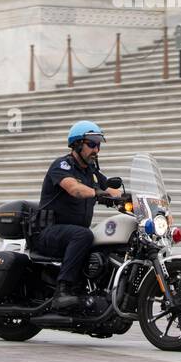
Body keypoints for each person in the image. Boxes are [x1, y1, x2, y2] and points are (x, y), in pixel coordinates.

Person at [30, 120, 123, 312]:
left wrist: (143, 201)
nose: (96, 149)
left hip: (70, 233)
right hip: (47, 233)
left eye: (98, 144)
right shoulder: (62, 165)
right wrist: (97, 192)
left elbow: (112, 191)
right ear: (78, 144)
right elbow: (74, 188)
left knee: (105, 242)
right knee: (83, 235)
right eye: (91, 144)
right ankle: (63, 291)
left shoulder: (92, 172)